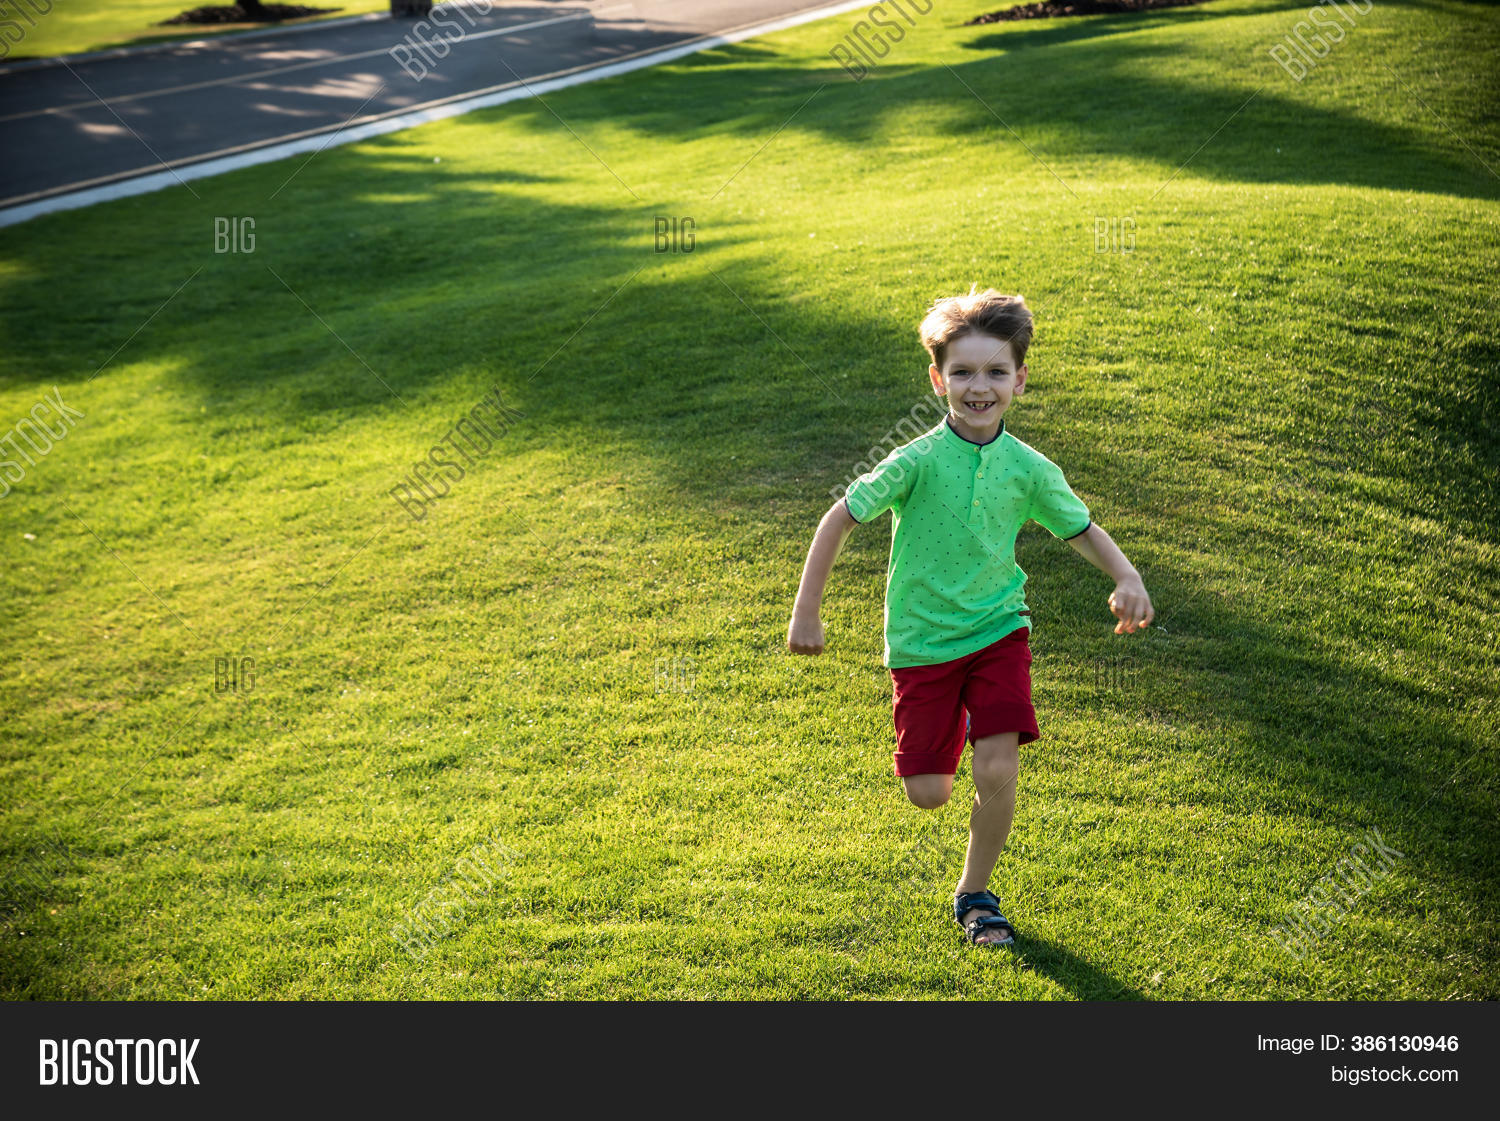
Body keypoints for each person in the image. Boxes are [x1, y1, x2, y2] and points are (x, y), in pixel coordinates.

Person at [786, 287, 1154, 946]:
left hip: (997, 630)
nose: (978, 386)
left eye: (994, 372)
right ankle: (952, 722)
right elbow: (839, 517)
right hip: (923, 640)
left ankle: (976, 894)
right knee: (929, 790)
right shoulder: (917, 460)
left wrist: (1126, 575)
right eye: (962, 372)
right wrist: (807, 611)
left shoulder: (1029, 468)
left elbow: (1081, 527)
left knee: (995, 769)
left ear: (1020, 378)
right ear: (938, 379)